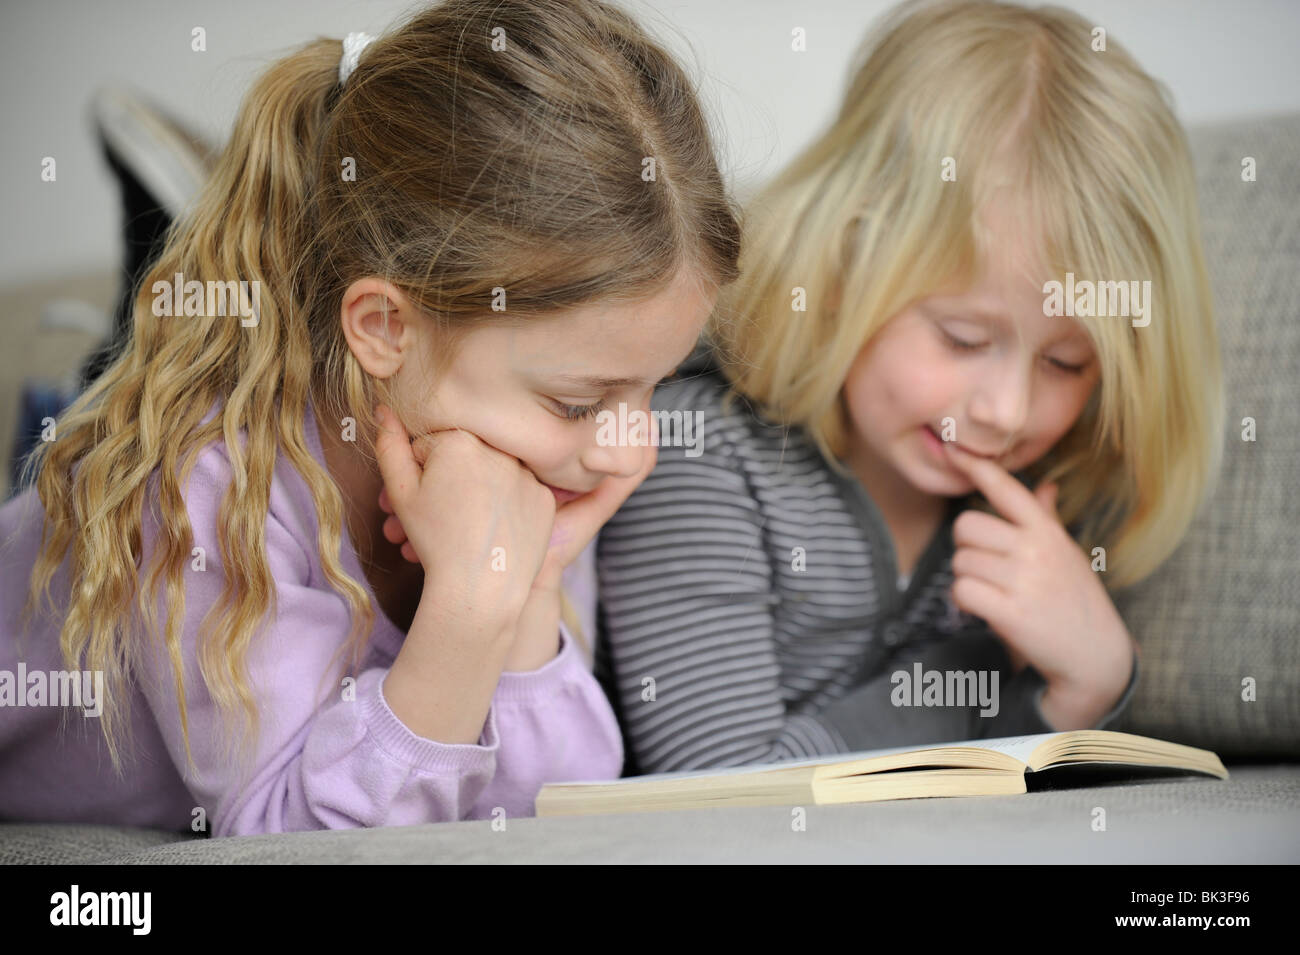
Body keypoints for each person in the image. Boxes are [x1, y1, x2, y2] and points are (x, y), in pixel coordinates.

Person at [0, 0, 740, 834]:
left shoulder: (534, 467)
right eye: (581, 402)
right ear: (387, 327)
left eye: (655, 390)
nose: (629, 451)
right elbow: (288, 843)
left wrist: (526, 593)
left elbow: (545, 821)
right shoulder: (212, 479)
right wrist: (464, 617)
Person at [594, 0, 1224, 774]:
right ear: (839, 269)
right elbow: (721, 787)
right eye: (962, 338)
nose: (1007, 411)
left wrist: (1097, 682)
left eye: (1067, 363)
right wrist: (1003, 672)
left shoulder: (1038, 496)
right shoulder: (700, 454)